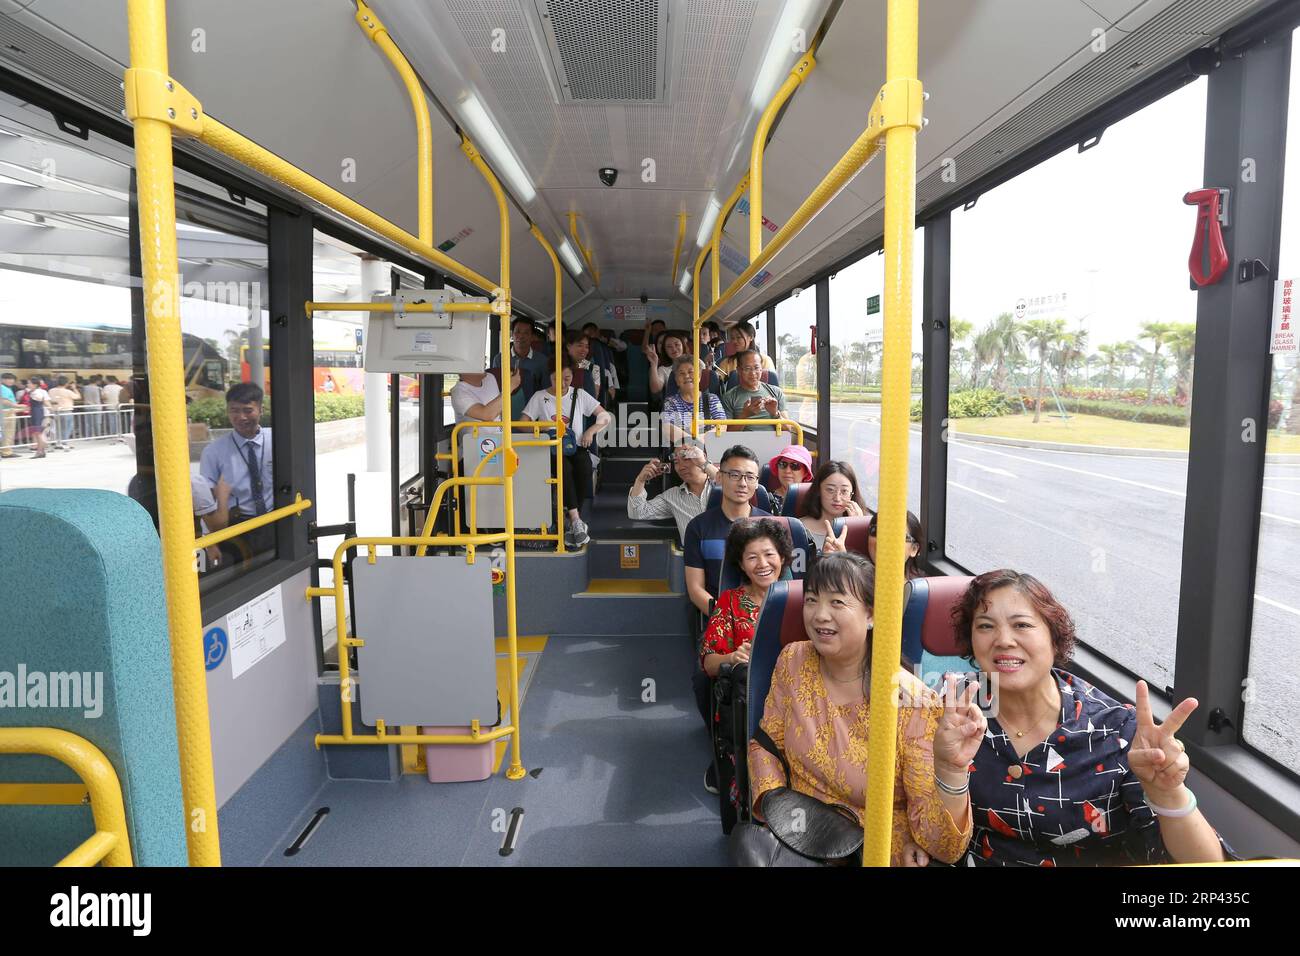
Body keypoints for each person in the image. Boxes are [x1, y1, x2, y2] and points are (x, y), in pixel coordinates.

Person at [937, 569, 1231, 867]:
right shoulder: (951, 706)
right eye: (985, 626)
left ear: (1054, 639)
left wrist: (1168, 793)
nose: (1003, 640)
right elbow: (937, 841)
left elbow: (1208, 863)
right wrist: (949, 768)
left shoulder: (1117, 731)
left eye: (1022, 625)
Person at [733, 552, 981, 867]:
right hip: (799, 827)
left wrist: (952, 773)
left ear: (871, 615)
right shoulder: (793, 660)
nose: (820, 615)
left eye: (837, 603)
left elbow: (944, 846)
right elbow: (766, 745)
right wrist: (774, 807)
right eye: (811, 600)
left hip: (874, 847)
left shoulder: (912, 701)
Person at [520, 359, 611, 548]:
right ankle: (576, 520)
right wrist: (542, 431)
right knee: (564, 469)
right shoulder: (539, 397)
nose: (562, 384)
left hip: (576, 446)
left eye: (567, 379)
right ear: (549, 377)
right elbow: (522, 424)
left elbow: (604, 416)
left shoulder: (579, 395)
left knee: (584, 468)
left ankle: (570, 518)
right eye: (556, 379)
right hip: (551, 449)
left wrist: (590, 431)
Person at [683, 445, 770, 616]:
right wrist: (728, 618)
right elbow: (695, 589)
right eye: (735, 475)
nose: (743, 483)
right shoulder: (698, 527)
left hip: (764, 617)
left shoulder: (770, 525)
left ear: (757, 482)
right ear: (719, 477)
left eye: (750, 477)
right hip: (719, 618)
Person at [198, 383, 274, 564]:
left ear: (260, 410)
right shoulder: (214, 451)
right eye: (234, 410)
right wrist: (209, 541)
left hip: (275, 522)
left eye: (248, 410)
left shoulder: (277, 440)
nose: (241, 417)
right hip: (238, 527)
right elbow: (206, 501)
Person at [626, 439, 719, 543]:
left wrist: (704, 463)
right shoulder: (673, 496)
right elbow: (637, 512)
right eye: (676, 462)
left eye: (686, 458)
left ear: (703, 457)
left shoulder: (719, 485)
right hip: (695, 557)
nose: (681, 467)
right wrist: (640, 480)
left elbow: (731, 484)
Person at [798, 461, 870, 552]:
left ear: (852, 494)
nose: (837, 498)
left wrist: (857, 528)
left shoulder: (866, 528)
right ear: (818, 490)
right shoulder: (798, 528)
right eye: (830, 490)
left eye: (844, 491)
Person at [661, 356, 726, 444]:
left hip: (709, 447)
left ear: (699, 377)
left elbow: (722, 425)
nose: (687, 376)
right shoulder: (670, 402)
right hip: (682, 449)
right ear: (676, 380)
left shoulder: (712, 399)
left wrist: (701, 440)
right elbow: (667, 427)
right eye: (681, 373)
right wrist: (693, 441)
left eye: (691, 372)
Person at [491, 316, 549, 414]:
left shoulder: (542, 361)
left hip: (533, 412)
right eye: (517, 332)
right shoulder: (500, 359)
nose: (521, 336)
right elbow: (495, 388)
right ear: (512, 334)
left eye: (526, 333)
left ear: (532, 336)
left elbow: (546, 390)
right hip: (505, 411)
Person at [722, 349, 786, 430]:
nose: (753, 373)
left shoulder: (776, 392)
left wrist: (775, 414)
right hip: (743, 442)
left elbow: (788, 429)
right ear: (738, 370)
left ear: (761, 369)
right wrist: (744, 415)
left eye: (756, 368)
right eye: (747, 368)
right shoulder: (729, 397)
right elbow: (727, 434)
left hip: (773, 441)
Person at [449, 366, 519, 424]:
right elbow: (487, 416)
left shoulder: (490, 377)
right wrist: (509, 387)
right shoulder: (459, 393)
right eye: (478, 361)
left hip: (500, 436)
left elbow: (499, 409)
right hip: (476, 439)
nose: (484, 363)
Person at [866, 510, 924, 580]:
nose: (885, 541)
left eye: (897, 535)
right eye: (876, 531)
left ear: (914, 549)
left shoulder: (922, 588)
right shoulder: (856, 580)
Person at [765, 444, 813, 515]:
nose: (787, 471)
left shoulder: (814, 501)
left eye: (795, 466)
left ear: (805, 472)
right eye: (782, 464)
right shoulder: (765, 499)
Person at [645, 331, 689, 397]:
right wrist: (653, 364)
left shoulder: (697, 362)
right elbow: (655, 389)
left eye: (677, 344)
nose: (674, 349)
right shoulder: (663, 369)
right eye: (669, 346)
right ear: (665, 351)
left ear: (683, 345)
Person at [47, 376, 79, 450]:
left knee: (58, 428)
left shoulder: (51, 390)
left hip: (55, 412)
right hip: (66, 411)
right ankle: (64, 443)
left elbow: (49, 400)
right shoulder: (67, 391)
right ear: (66, 383)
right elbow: (78, 397)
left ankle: (58, 443)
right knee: (67, 427)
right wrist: (74, 388)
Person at [23, 377, 49, 458]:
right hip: (37, 412)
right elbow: (45, 401)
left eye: (29, 383)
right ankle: (41, 451)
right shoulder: (40, 391)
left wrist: (30, 392)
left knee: (38, 433)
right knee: (38, 433)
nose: (28, 384)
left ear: (35, 384)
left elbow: (40, 399)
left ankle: (40, 451)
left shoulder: (35, 392)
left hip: (36, 413)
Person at [0, 372, 21, 458]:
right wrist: (17, 406)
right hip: (7, 412)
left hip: (6, 411)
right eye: (8, 379)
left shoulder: (5, 388)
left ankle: (5, 450)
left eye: (12, 379)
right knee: (8, 432)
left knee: (5, 433)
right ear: (3, 379)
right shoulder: (3, 388)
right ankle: (6, 452)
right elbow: (4, 400)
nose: (11, 381)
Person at [81, 375, 102, 439]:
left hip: (87, 407)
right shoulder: (99, 388)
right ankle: (98, 436)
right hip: (97, 407)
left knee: (88, 423)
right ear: (97, 381)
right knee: (97, 423)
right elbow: (102, 397)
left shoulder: (84, 388)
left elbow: (82, 396)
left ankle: (88, 436)